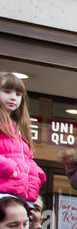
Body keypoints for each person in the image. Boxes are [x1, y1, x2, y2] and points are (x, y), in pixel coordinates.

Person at [0, 74, 46, 205]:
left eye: (18, 94)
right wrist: (10, 168)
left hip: (18, 195)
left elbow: (24, 157)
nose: (13, 97)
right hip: (4, 194)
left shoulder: (18, 127)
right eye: (7, 91)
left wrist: (37, 174)